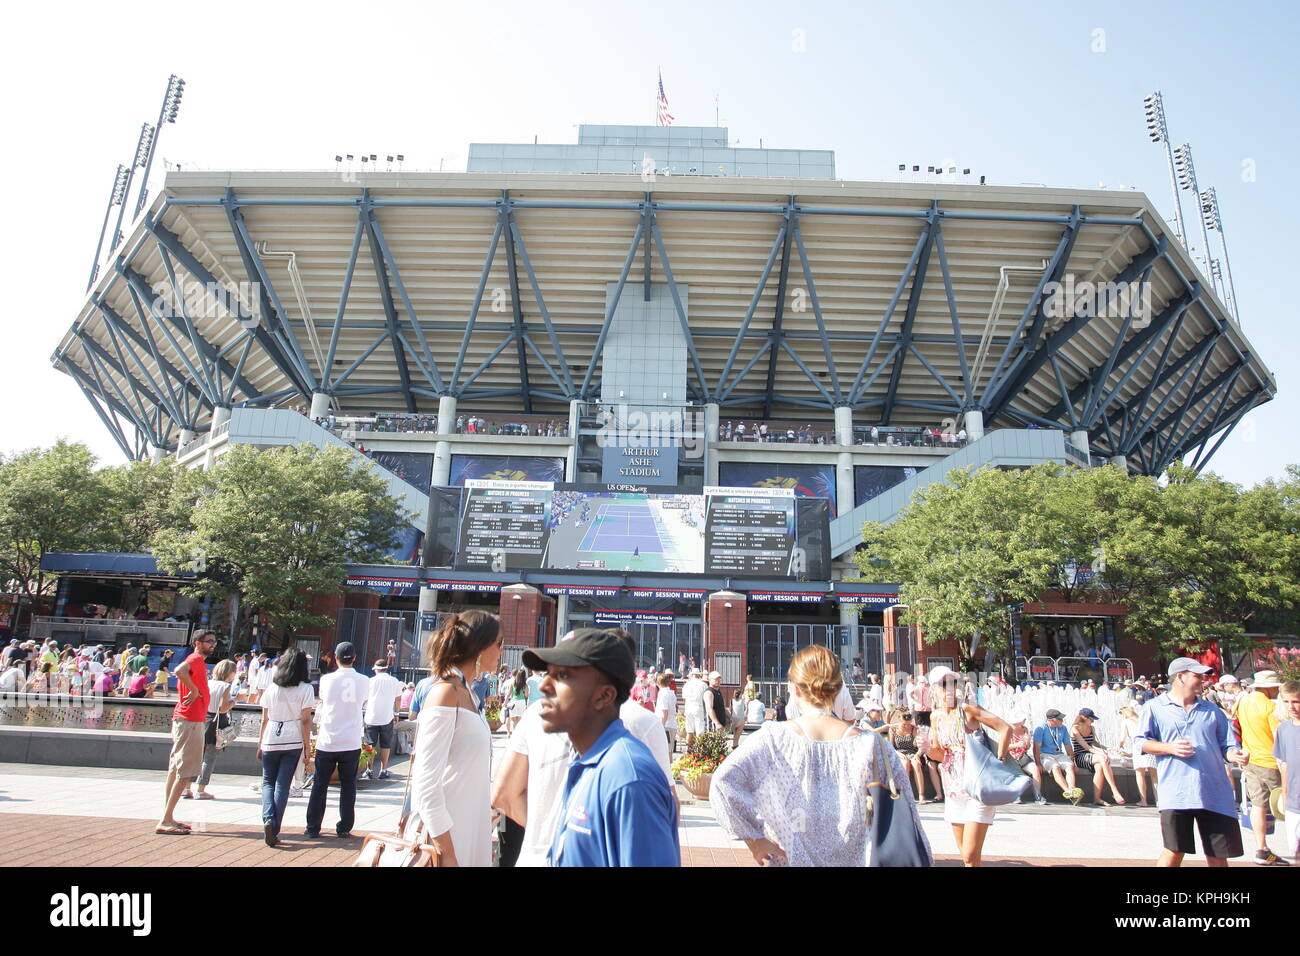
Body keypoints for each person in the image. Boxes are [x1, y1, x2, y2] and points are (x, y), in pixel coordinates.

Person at [711, 645, 927, 866]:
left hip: (790, 859)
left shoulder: (774, 738)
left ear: (795, 689)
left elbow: (722, 782)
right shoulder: (871, 744)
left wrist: (755, 840)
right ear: (839, 687)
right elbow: (908, 809)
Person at [493, 629, 675, 867]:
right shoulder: (586, 764)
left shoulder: (631, 778)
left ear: (604, 696)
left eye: (563, 676)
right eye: (548, 673)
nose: (545, 686)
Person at [1133, 657, 1249, 868]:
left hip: (1214, 793)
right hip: (1177, 794)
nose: (1203, 680)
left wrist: (1235, 755)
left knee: (1217, 856)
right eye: (1197, 676)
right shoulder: (1154, 708)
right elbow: (1140, 742)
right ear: (1180, 677)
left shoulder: (1212, 711)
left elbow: (1228, 746)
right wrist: (1169, 747)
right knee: (1174, 851)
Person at [410, 611, 503, 867]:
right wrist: (447, 852)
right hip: (449, 836)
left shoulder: (467, 693)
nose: (501, 651)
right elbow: (426, 784)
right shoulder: (445, 693)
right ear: (481, 647)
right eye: (499, 643)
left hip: (470, 828)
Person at [926, 665, 1011, 867]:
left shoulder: (967, 709)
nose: (948, 688)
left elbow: (1004, 728)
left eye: (952, 682)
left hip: (976, 787)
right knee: (967, 857)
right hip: (953, 789)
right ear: (932, 689)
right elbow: (938, 754)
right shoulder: (935, 716)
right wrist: (927, 748)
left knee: (969, 855)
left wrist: (999, 759)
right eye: (942, 683)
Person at [304, 641, 369, 839]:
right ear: (355, 658)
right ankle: (345, 826)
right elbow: (363, 701)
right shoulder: (365, 680)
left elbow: (324, 700)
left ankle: (313, 826)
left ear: (336, 659)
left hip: (328, 738)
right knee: (348, 784)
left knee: (320, 783)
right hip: (351, 739)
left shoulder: (327, 680)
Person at [154, 631, 217, 836]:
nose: (213, 645)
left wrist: (193, 689)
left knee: (175, 769)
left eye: (214, 642)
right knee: (185, 770)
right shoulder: (196, 658)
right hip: (190, 720)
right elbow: (179, 670)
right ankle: (165, 819)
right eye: (209, 642)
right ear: (197, 643)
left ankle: (168, 816)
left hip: (187, 719)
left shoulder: (197, 660)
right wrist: (194, 691)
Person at [255, 648, 315, 846]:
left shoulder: (273, 687)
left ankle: (268, 818)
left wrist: (260, 743)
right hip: (293, 737)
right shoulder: (306, 688)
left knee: (267, 782)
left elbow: (264, 719)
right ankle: (275, 826)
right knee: (282, 784)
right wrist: (307, 748)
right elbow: (306, 721)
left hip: (271, 735)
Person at [1236, 669, 1290, 865]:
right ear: (1270, 688)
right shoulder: (1269, 707)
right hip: (1271, 762)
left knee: (1258, 805)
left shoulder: (1243, 702)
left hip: (1250, 760)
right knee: (1290, 804)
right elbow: (1279, 739)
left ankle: (1261, 848)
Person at [189, 659, 237, 800]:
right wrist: (235, 700)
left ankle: (186, 788)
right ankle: (201, 789)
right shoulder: (225, 686)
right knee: (209, 758)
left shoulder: (208, 683)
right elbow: (223, 709)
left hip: (203, 719)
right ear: (230, 673)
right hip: (217, 722)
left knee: (196, 756)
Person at [1071, 708, 1126, 807]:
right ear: (1084, 718)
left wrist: (1107, 748)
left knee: (1100, 767)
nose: (1093, 721)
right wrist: (1101, 754)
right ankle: (1115, 790)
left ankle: (1097, 799)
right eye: (1091, 719)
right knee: (1102, 759)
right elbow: (1086, 746)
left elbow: (1094, 742)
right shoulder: (1075, 728)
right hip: (1080, 757)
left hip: (1091, 756)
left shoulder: (1092, 728)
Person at [1271, 680, 1300, 863]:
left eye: (1296, 701)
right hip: (1294, 804)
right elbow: (1284, 765)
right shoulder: (1283, 729)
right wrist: (1286, 796)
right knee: (1296, 851)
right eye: (1287, 701)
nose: (1292, 707)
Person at [362, 660, 404, 780]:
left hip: (371, 717)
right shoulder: (394, 681)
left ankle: (369, 770)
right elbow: (398, 699)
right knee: (386, 744)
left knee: (370, 745)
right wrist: (397, 712)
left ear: (376, 669)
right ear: (387, 668)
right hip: (387, 716)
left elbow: (364, 699)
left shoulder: (370, 681)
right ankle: (383, 769)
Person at [1033, 709, 1084, 804]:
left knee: (1069, 766)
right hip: (1045, 754)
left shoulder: (1063, 728)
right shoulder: (1041, 728)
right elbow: (1036, 748)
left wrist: (1074, 763)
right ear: (1052, 720)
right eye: (1060, 719)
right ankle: (1068, 792)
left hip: (1059, 754)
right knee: (1055, 767)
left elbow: (1068, 746)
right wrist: (1038, 764)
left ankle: (1072, 788)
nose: (1062, 721)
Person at [1118, 704, 1157, 807]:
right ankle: (1159, 801)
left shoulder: (1126, 721)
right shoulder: (1141, 720)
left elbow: (1122, 738)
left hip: (1138, 747)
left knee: (1140, 774)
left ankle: (1144, 801)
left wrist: (1119, 747)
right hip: (1149, 746)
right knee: (1154, 775)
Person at [1006, 713, 1046, 804]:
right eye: (1022, 719)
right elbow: (1003, 746)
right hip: (1011, 757)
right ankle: (1015, 795)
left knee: (1035, 770)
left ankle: (1038, 795)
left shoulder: (1025, 729)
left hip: (1022, 756)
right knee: (1016, 772)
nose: (1024, 720)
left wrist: (1028, 742)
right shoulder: (1007, 729)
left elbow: (1027, 747)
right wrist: (1016, 745)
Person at [681, 667, 708, 749]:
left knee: (689, 730)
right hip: (698, 706)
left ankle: (688, 749)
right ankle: (700, 749)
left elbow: (684, 697)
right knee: (700, 730)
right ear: (699, 675)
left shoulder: (687, 684)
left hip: (688, 707)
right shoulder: (703, 684)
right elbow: (705, 697)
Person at [655, 672, 678, 753]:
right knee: (669, 751)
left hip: (665, 725)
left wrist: (661, 726)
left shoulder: (662, 694)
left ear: (658, 683)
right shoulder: (671, 693)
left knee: (664, 752)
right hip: (672, 724)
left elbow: (665, 712)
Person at [507, 668, 529, 733]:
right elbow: (526, 696)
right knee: (519, 720)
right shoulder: (525, 685)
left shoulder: (513, 683)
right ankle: (518, 734)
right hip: (522, 702)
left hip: (513, 702)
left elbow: (508, 694)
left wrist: (505, 703)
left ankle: (514, 732)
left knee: (513, 720)